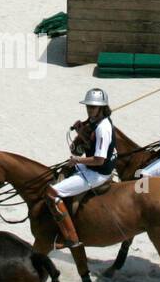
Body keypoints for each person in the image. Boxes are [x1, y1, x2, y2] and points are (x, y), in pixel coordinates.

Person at [45, 89, 116, 249]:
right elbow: (90, 146)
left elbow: (99, 160)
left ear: (102, 108)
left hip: (98, 173)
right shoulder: (96, 122)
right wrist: (81, 133)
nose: (89, 109)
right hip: (92, 167)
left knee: (51, 192)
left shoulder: (102, 128)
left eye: (93, 107)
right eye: (88, 106)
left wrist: (77, 160)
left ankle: (71, 237)